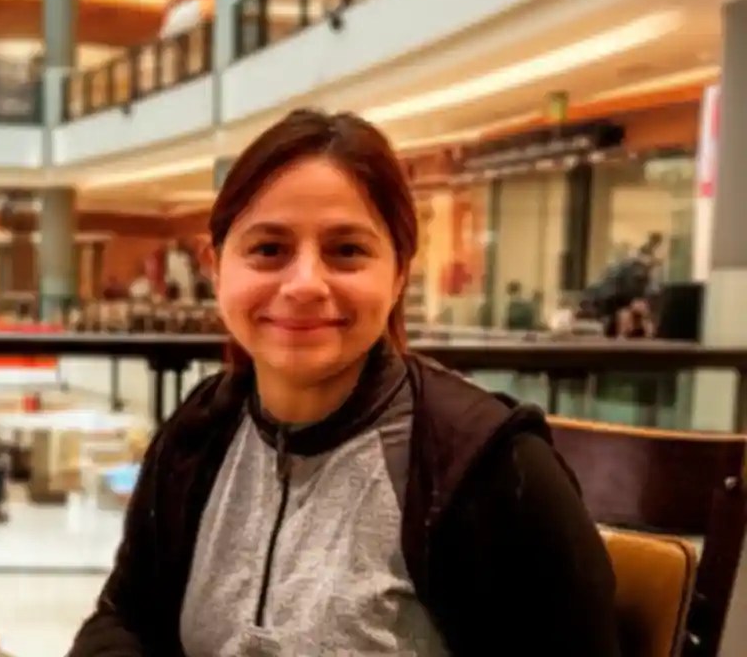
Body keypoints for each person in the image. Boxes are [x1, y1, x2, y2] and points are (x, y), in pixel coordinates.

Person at [68, 110, 617, 656]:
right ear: (217, 268)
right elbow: (125, 617)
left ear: (399, 271)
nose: (305, 283)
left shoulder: (490, 470)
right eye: (269, 249)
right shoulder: (201, 431)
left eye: (347, 250)